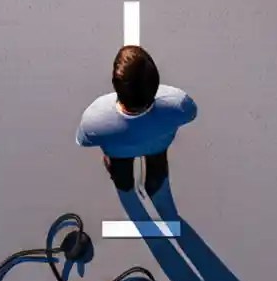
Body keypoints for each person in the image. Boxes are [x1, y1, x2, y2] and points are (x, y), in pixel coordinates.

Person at [76, 45, 198, 196]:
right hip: (158, 147)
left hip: (118, 154)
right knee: (157, 169)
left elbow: (83, 140)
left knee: (121, 174)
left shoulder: (93, 117)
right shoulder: (179, 104)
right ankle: (155, 186)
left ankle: (125, 187)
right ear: (156, 84)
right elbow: (191, 115)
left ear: (114, 85)